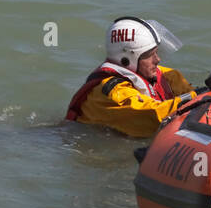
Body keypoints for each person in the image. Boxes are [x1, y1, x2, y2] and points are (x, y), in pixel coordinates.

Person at [66, 17, 197, 137]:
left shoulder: (167, 76)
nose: (157, 59)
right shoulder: (112, 93)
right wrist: (198, 98)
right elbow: (154, 116)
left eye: (156, 52)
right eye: (149, 55)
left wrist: (209, 92)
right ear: (127, 59)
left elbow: (191, 93)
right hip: (91, 147)